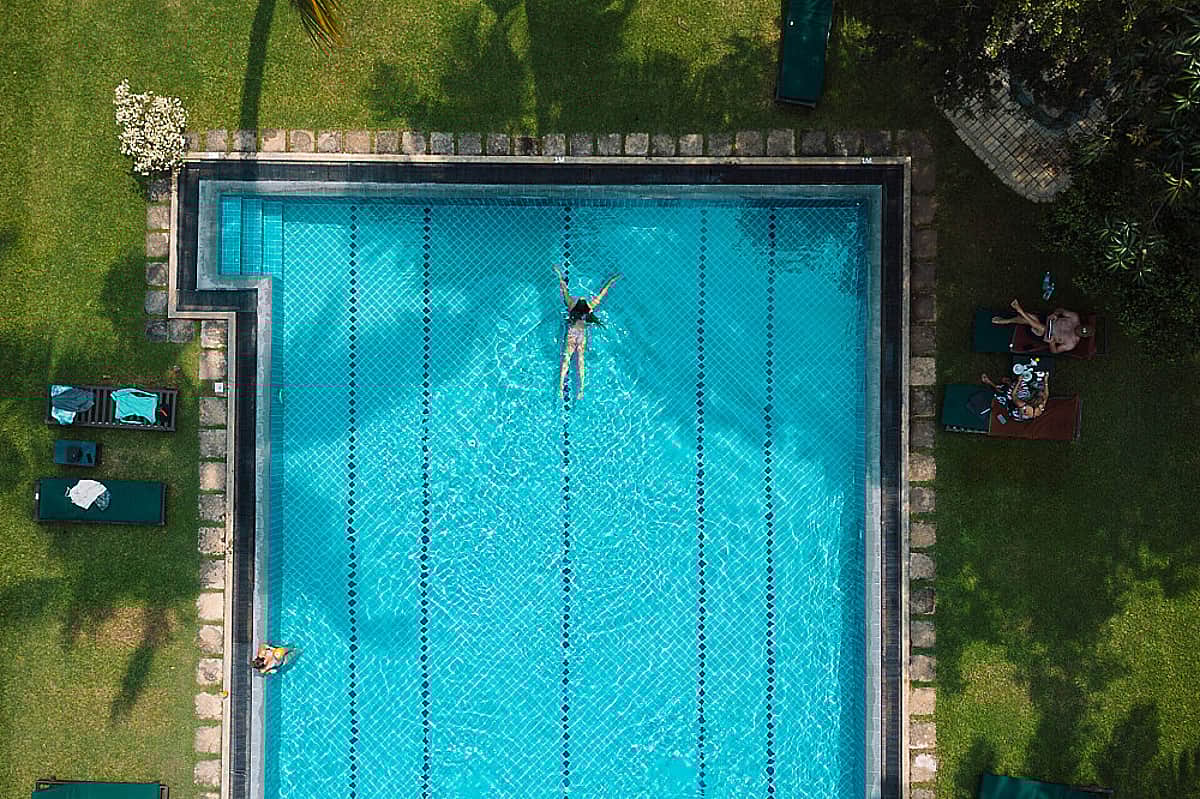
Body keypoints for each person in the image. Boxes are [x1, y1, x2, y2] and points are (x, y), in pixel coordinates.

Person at [555, 266, 621, 399]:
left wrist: (558, 273)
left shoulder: (570, 306)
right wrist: (612, 280)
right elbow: (603, 292)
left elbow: (563, 288)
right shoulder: (590, 308)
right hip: (581, 336)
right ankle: (581, 389)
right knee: (581, 361)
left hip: (572, 335)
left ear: (576, 304)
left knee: (566, 361)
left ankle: (560, 388)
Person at [991, 298, 1093, 354]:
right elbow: (1061, 310)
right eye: (1080, 328)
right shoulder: (1074, 317)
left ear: (1082, 336)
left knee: (1041, 328)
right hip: (1046, 320)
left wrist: (1052, 342)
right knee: (1031, 318)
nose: (1078, 330)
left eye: (1080, 332)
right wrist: (1056, 314)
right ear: (1082, 324)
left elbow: (1055, 351)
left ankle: (1019, 310)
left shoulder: (1071, 344)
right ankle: (1008, 320)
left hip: (1041, 335)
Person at [980, 368, 1049, 420]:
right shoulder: (1041, 405)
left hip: (1015, 410)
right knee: (1024, 386)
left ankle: (988, 382)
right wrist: (1046, 381)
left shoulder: (1023, 406)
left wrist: (1019, 381)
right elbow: (1046, 395)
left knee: (1004, 392)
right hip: (1025, 399)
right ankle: (1009, 382)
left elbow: (1013, 395)